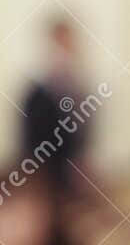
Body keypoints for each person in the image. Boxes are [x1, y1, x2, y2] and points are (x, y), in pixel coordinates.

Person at [16, 15, 97, 197]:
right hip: (45, 176)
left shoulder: (80, 89)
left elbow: (84, 137)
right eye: (59, 43)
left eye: (67, 43)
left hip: (75, 176)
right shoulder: (36, 93)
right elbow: (29, 140)